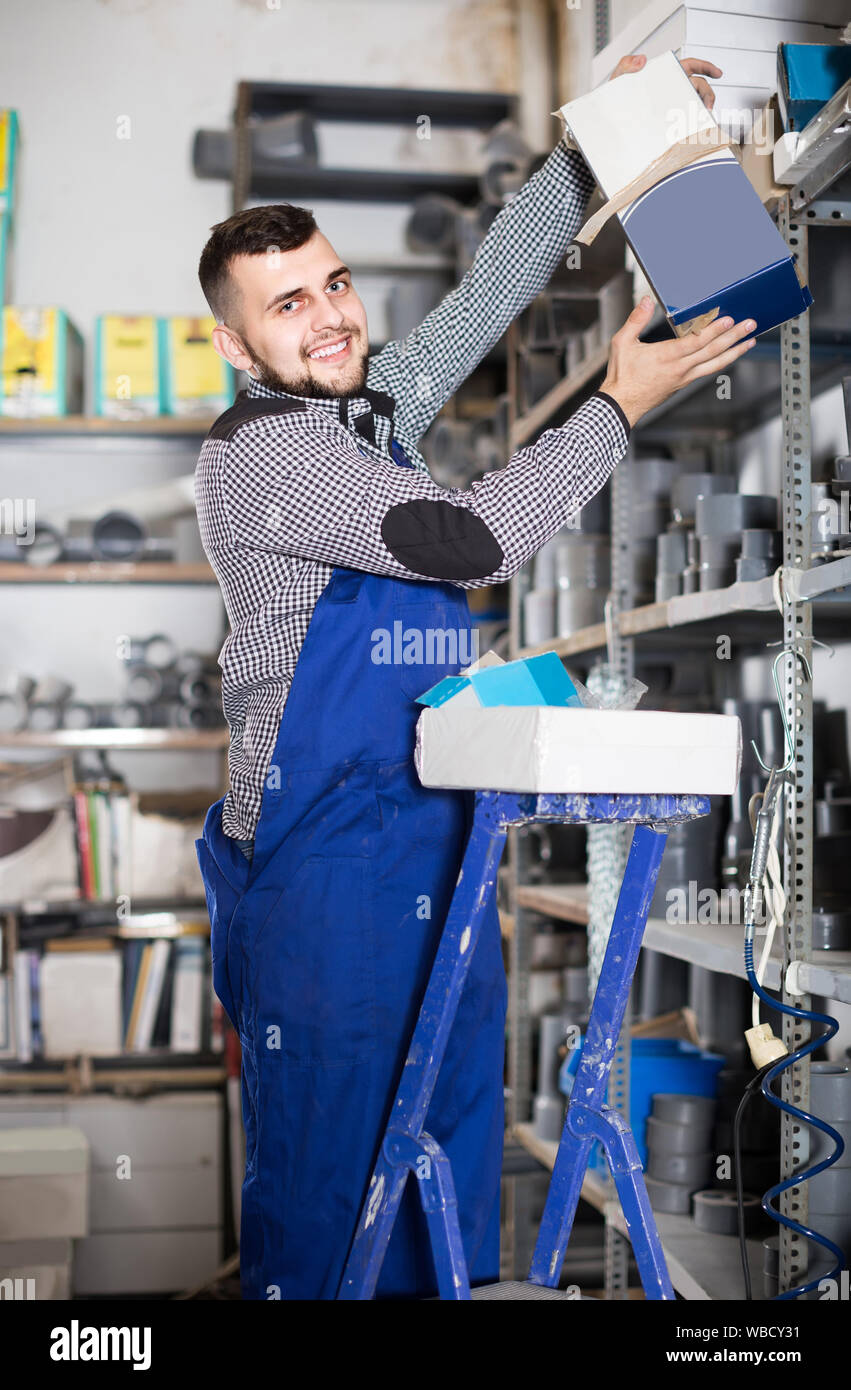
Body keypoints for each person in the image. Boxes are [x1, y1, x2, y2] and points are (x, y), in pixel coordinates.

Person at [193, 53, 753, 1300]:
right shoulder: (266, 456)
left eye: (333, 284)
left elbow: (485, 293)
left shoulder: (367, 414)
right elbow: (472, 539)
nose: (330, 314)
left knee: (436, 1159)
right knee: (333, 1187)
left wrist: (597, 135)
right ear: (235, 342)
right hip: (321, 881)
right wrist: (616, 403)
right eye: (288, 305)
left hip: (428, 853)